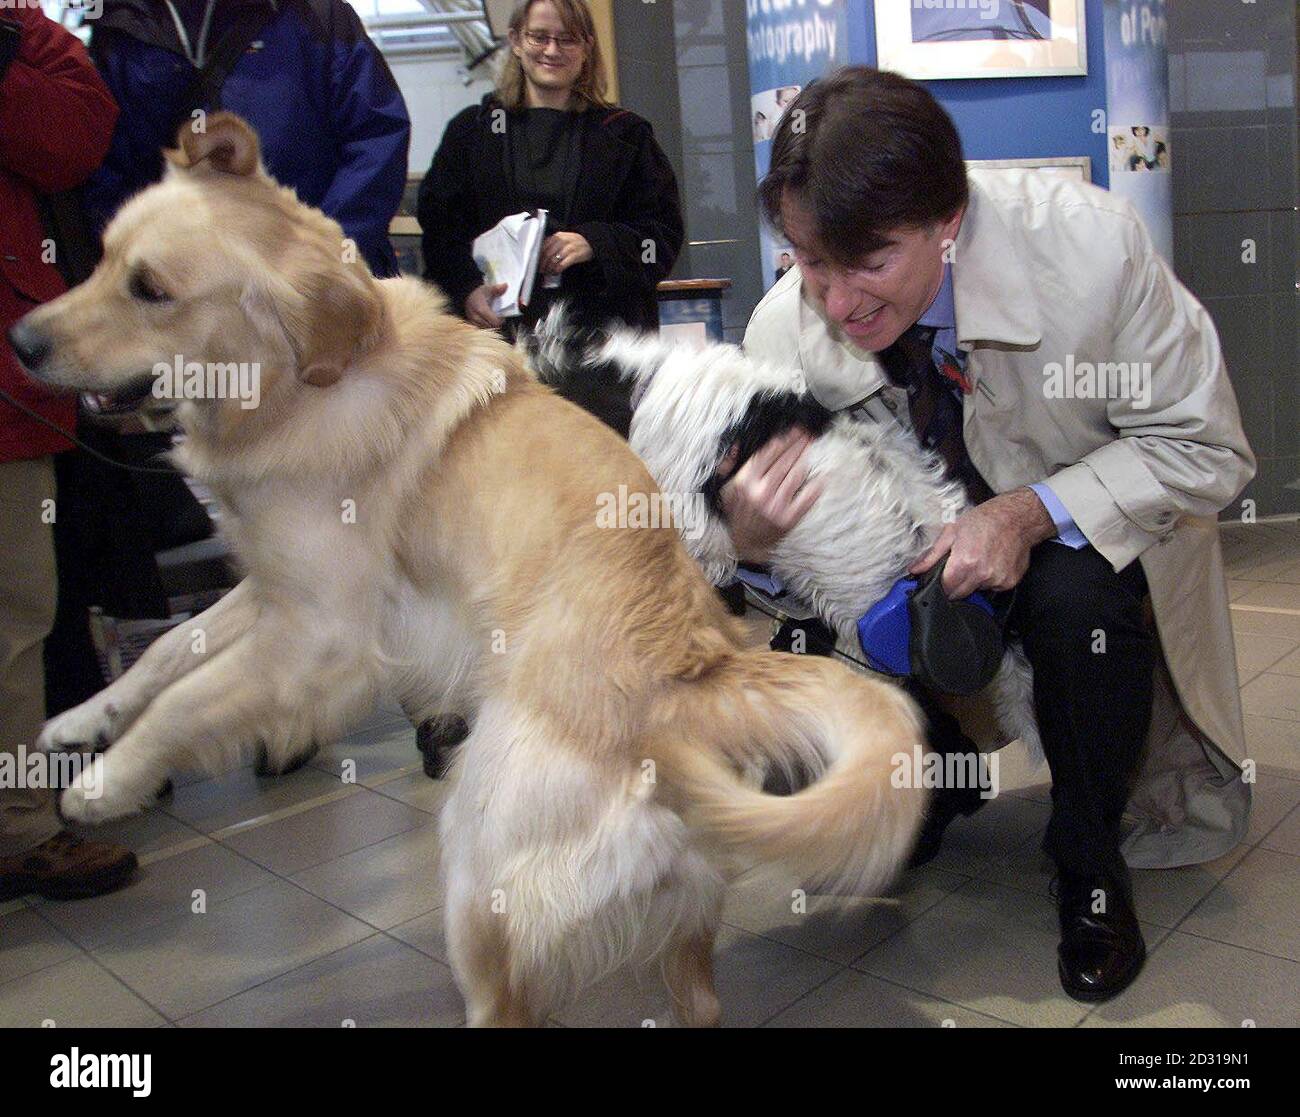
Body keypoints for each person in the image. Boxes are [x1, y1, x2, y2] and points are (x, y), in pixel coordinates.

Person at [730, 67, 1255, 1002]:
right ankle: (938, 778)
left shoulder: (1095, 251)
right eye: (810, 261)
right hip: (910, 598)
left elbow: (1208, 447)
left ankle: (1088, 861)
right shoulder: (783, 335)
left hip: (1071, 549)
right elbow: (777, 587)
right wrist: (753, 542)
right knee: (816, 774)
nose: (837, 302)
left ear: (947, 219)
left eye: (869, 262)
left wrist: (1029, 511)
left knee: (1076, 598)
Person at [0, 4, 137, 901]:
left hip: (9, 386)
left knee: (17, 615)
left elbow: (75, 135)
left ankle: (19, 827)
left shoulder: (24, 36)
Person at [418, 0, 683, 436]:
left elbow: (662, 237)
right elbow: (442, 235)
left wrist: (596, 243)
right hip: (499, 354)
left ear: (586, 48)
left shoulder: (625, 135)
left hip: (601, 359)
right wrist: (467, 290)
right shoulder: (472, 133)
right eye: (540, 36)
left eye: (567, 39)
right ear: (517, 42)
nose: (552, 50)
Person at [85, 0, 410, 277]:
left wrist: (324, 250)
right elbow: (108, 173)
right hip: (193, 305)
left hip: (321, 286)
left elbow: (376, 135)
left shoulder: (315, 15)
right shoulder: (119, 35)